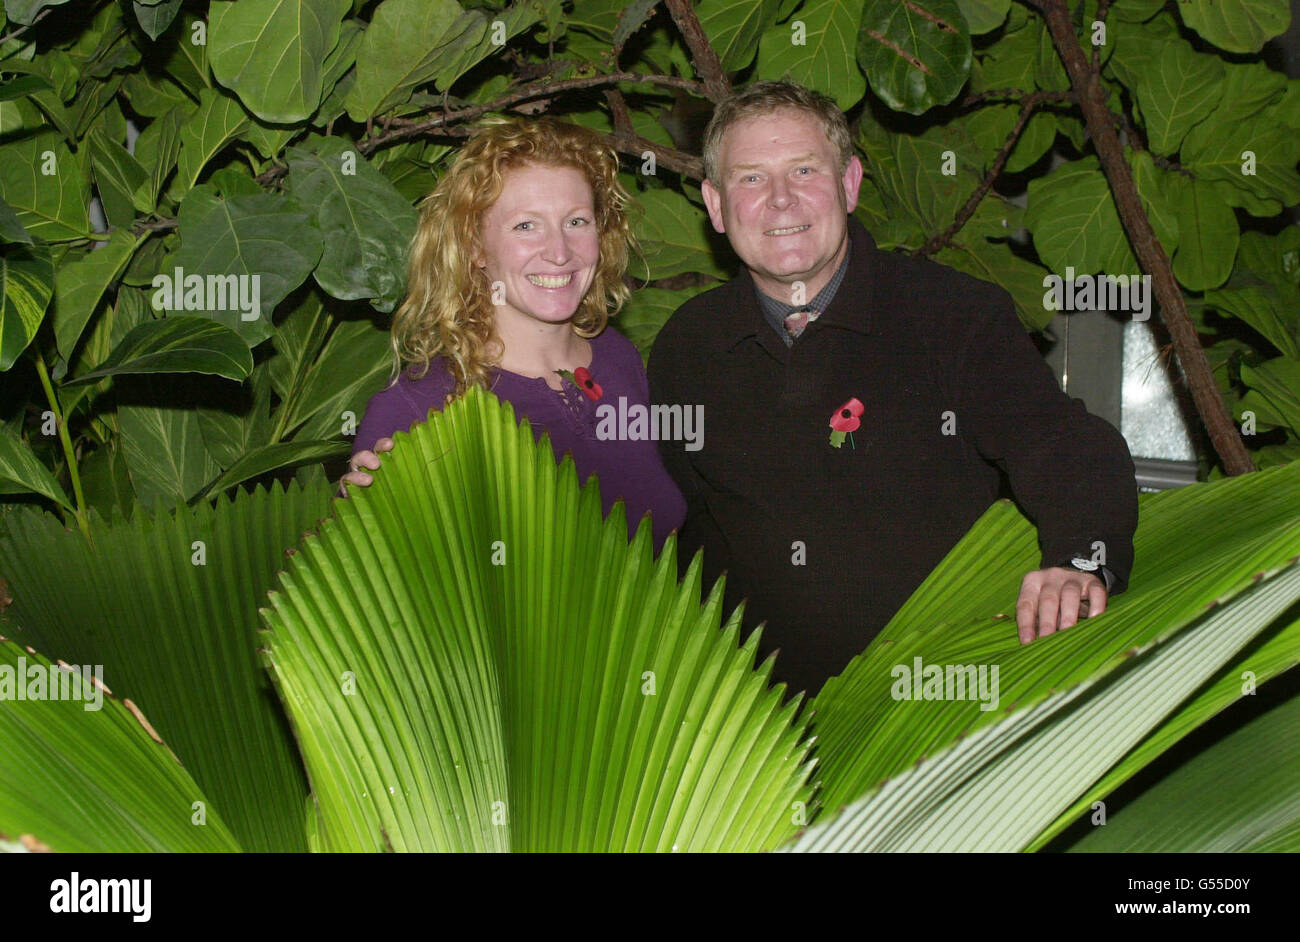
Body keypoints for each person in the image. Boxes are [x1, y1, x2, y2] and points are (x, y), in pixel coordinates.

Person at [648, 81, 1139, 697]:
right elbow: (690, 533)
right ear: (716, 207)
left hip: (940, 703)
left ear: (849, 184)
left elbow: (1063, 445)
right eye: (750, 179)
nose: (779, 200)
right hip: (763, 729)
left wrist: (1078, 561)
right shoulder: (688, 347)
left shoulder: (953, 315)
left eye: (804, 170)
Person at [342, 117, 686, 553]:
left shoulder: (617, 359)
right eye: (526, 225)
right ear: (474, 246)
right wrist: (362, 515)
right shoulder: (419, 405)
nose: (560, 252)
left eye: (576, 222)